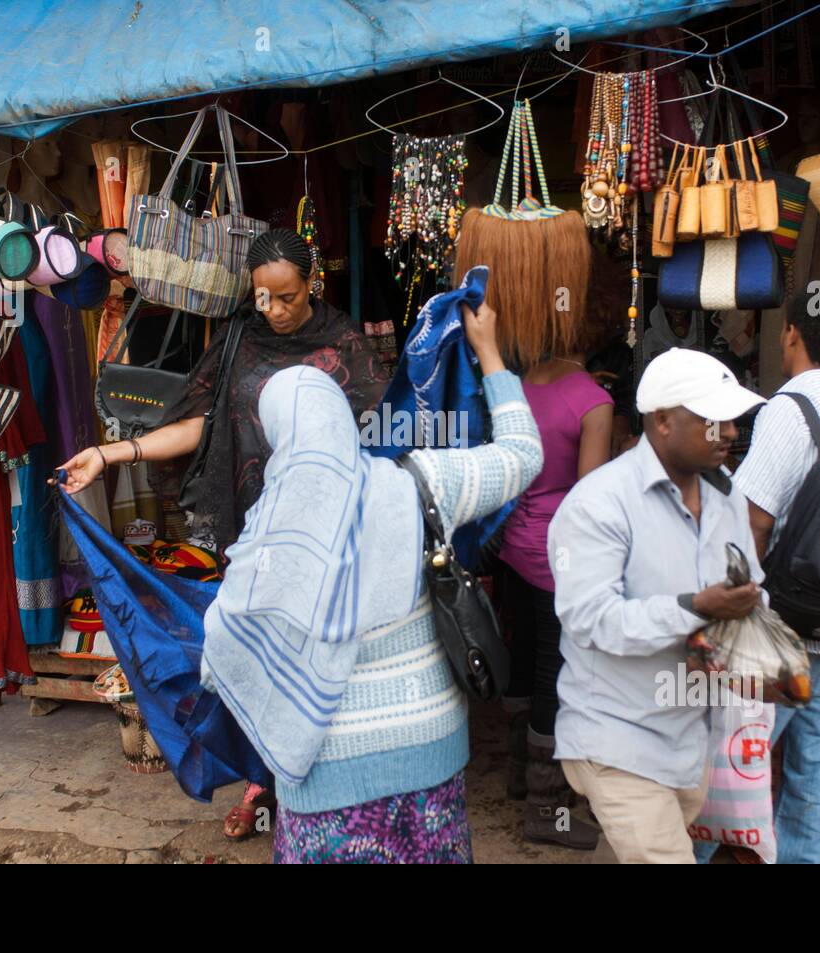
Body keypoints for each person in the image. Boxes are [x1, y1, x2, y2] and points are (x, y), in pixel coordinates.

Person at [57, 228, 387, 840]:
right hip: (254, 533)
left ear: (312, 285)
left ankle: (331, 795)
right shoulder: (241, 337)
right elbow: (197, 428)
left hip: (325, 539)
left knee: (325, 666)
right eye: (264, 297)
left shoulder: (344, 342)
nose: (276, 310)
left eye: (287, 296)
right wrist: (112, 453)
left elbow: (378, 440)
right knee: (259, 663)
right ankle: (263, 784)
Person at [199, 299, 541, 862]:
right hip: (430, 751)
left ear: (276, 432)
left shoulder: (265, 533)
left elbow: (221, 653)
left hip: (324, 775)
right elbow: (524, 456)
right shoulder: (423, 481)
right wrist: (490, 355)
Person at [548, 347, 766, 863]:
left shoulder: (726, 494)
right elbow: (591, 618)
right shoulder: (599, 503)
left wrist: (748, 627)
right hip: (617, 739)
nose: (731, 433)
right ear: (663, 421)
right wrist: (694, 607)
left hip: (690, 736)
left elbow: (751, 586)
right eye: (714, 421)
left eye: (733, 421)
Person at [707, 290, 820, 864]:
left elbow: (752, 522)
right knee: (814, 767)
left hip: (777, 628)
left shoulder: (785, 412)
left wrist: (736, 616)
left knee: (731, 765)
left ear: (791, 335)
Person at [497, 335, 612, 850]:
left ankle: (518, 772)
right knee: (555, 671)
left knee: (522, 653)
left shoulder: (518, 386)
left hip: (512, 544)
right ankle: (548, 806)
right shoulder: (594, 400)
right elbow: (589, 492)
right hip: (556, 552)